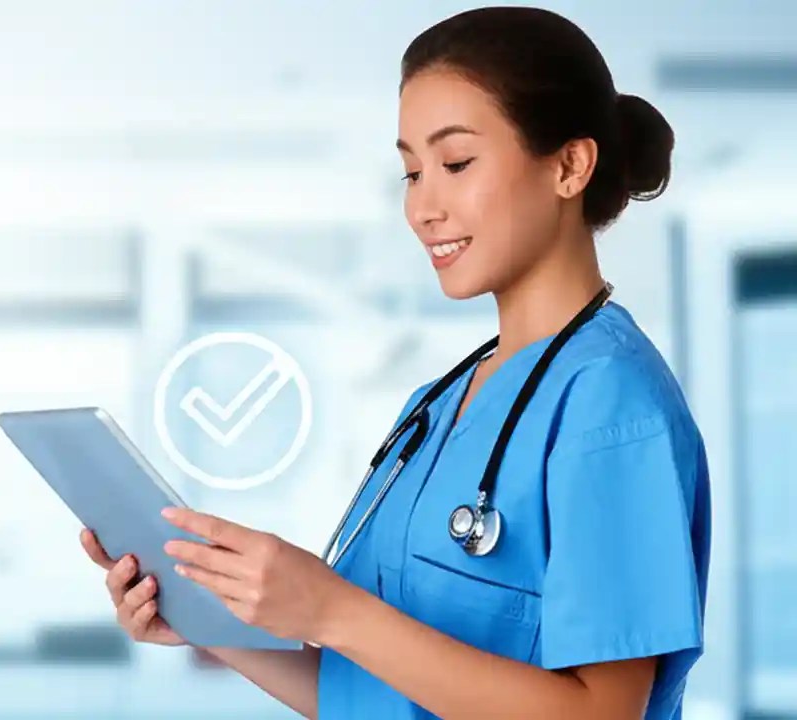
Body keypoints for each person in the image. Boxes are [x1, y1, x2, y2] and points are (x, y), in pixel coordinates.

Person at [79, 6, 710, 719]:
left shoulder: (611, 402)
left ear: (569, 166)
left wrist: (332, 610)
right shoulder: (435, 406)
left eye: (456, 163)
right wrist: (210, 623)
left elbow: (603, 713)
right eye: (412, 172)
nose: (422, 208)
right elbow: (364, 693)